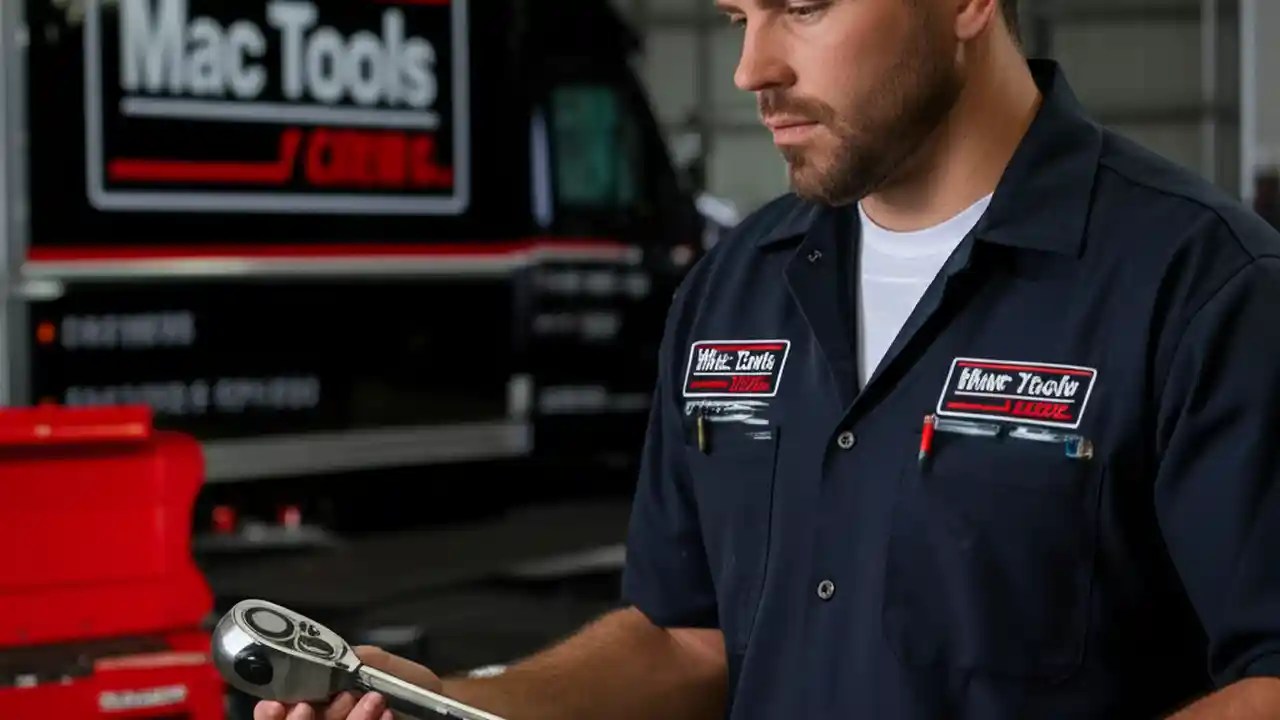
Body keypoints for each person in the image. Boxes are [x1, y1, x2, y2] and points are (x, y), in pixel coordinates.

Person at [256, 0, 1280, 717]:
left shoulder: (1200, 288)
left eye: (802, 5)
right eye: (737, 17)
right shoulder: (730, 291)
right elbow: (682, 640)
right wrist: (462, 705)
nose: (753, 71)